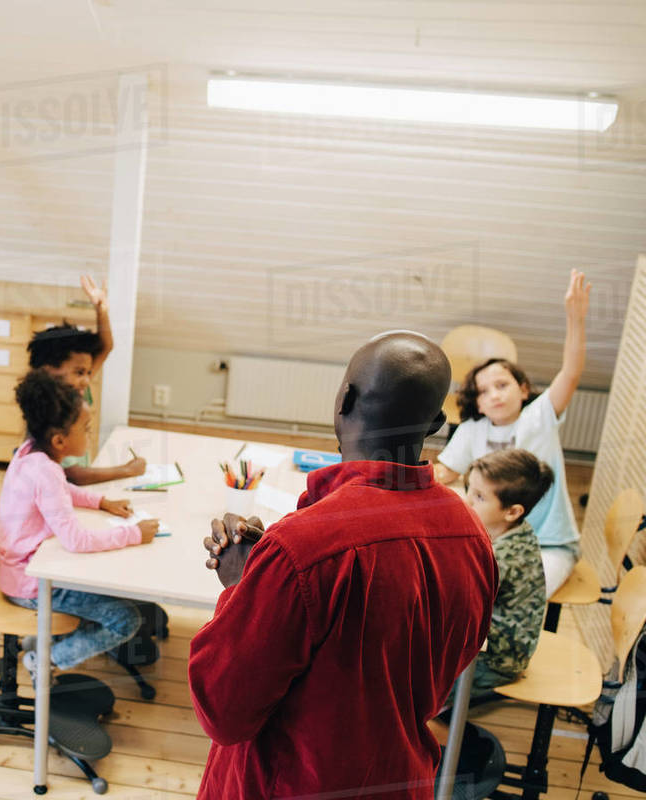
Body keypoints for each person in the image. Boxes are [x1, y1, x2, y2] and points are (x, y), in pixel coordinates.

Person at [191, 331, 499, 800]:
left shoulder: (301, 547)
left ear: (344, 400)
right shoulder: (471, 536)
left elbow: (223, 712)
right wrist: (271, 578)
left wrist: (242, 586)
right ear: (437, 422)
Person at [434, 269, 591, 596]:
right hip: (491, 539)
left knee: (510, 599)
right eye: (484, 391)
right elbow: (444, 473)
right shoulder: (471, 430)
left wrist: (576, 319)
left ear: (523, 390)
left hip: (548, 544)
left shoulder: (540, 417)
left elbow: (571, 372)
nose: (494, 395)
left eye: (502, 385)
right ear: (476, 402)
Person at [0, 369, 158, 679]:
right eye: (85, 428)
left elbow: (60, 490)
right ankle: (46, 661)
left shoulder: (29, 453)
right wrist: (134, 534)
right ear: (59, 440)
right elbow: (76, 540)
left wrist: (100, 502)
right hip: (31, 585)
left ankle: (46, 640)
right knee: (126, 620)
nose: (90, 432)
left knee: (103, 586)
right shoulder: (46, 471)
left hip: (18, 572)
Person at [429, 448, 552, 744]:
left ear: (512, 512)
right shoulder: (507, 529)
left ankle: (441, 739)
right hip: (491, 640)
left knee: (414, 685)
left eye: (480, 497)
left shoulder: (503, 557)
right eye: (469, 489)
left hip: (497, 660)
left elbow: (452, 602)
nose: (467, 501)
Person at [27, 279, 146, 485]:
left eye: (88, 372)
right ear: (48, 371)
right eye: (79, 372)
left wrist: (102, 310)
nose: (86, 380)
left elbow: (106, 346)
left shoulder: (75, 390)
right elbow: (74, 475)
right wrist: (127, 470)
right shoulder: (48, 410)